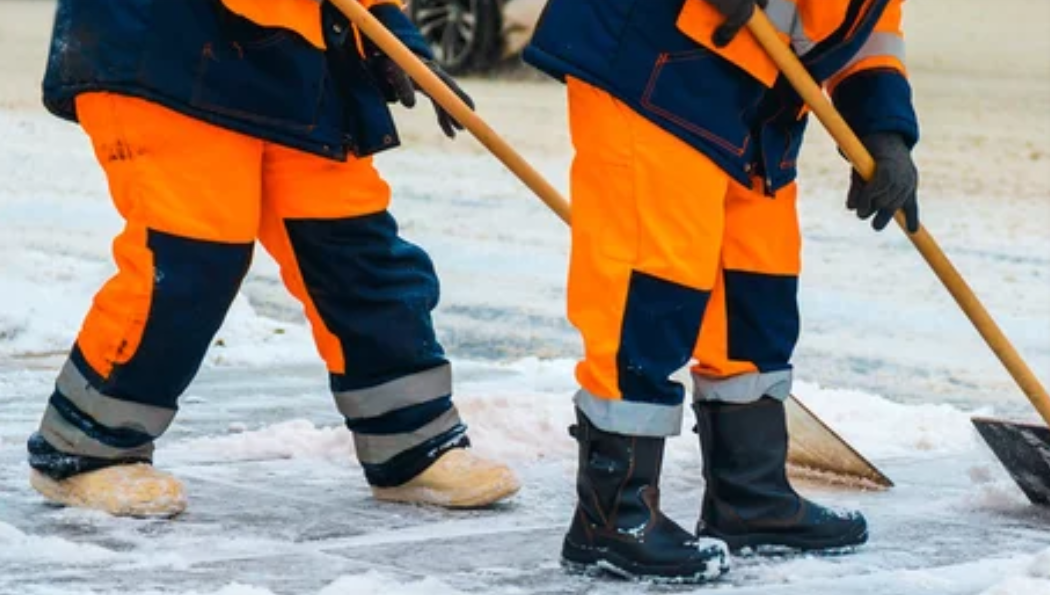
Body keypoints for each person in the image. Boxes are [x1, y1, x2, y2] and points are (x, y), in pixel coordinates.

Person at [26, 0, 520, 518]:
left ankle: (413, 442)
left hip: (300, 59)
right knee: (191, 257)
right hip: (168, 43)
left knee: (353, 247)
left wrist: (389, 32)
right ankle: (87, 447)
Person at [524, 0, 919, 582]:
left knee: (757, 287)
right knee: (650, 285)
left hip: (757, 97)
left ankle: (750, 500)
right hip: (653, 58)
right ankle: (612, 517)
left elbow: (866, 28)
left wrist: (885, 132)